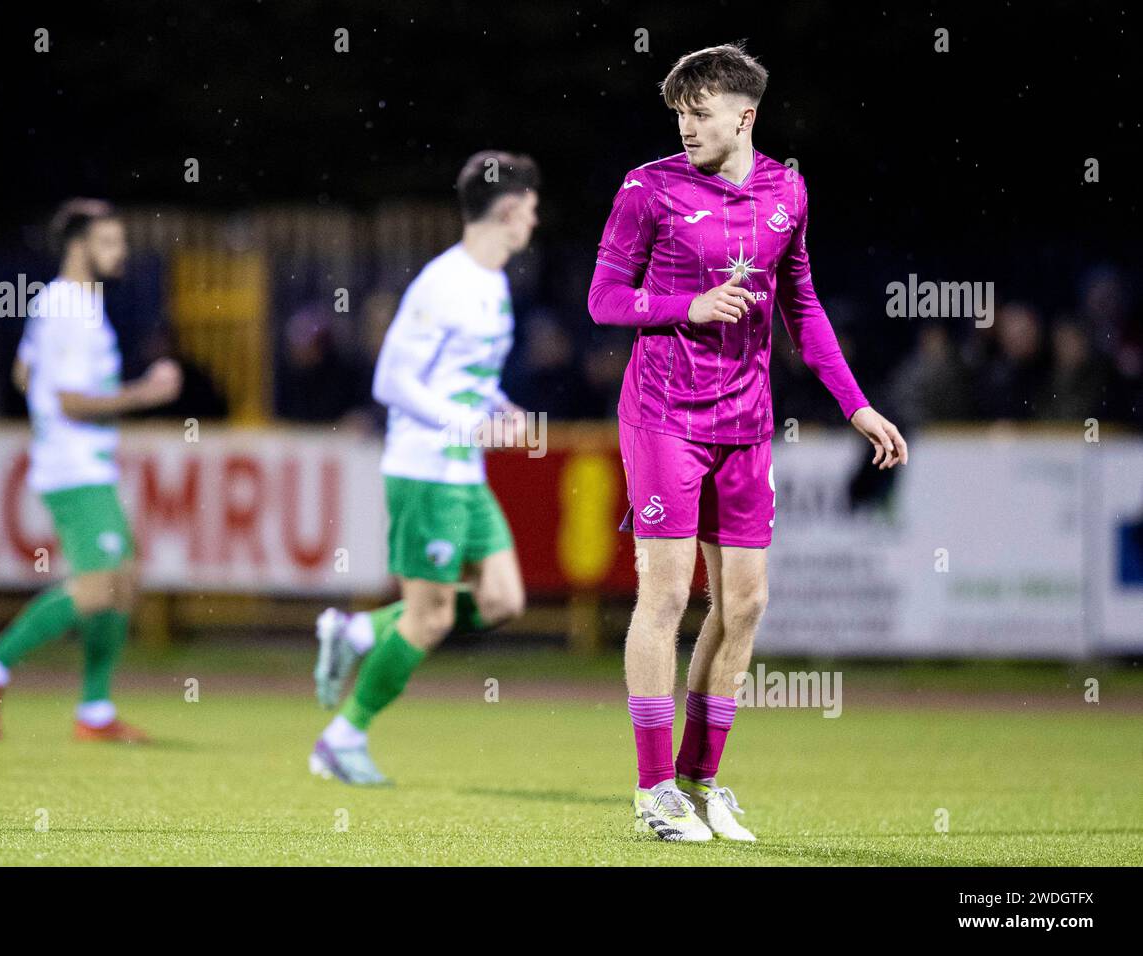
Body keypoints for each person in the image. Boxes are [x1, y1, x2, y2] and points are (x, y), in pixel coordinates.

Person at [588, 44, 907, 841]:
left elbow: (803, 307)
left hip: (746, 422)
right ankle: (652, 790)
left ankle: (700, 783)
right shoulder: (647, 188)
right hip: (663, 416)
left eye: (700, 112)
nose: (688, 126)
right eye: (680, 114)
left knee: (746, 604)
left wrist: (856, 406)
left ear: (745, 114)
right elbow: (602, 301)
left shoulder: (787, 189)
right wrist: (684, 307)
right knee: (664, 595)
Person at [308, 151, 537, 785]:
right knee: (431, 615)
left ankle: (358, 631)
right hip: (426, 469)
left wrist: (504, 409)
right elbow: (393, 381)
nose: (535, 221)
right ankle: (342, 737)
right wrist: (473, 425)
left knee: (503, 600)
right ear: (511, 211)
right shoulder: (445, 283)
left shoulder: (491, 283)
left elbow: (470, 378)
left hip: (465, 470)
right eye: (533, 209)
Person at [0, 199, 182, 742]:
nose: (119, 252)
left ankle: (95, 713)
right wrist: (149, 392)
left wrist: (50, 413)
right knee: (102, 584)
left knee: (121, 581)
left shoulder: (57, 302)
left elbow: (24, 371)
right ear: (79, 247)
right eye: (108, 242)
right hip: (74, 467)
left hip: (77, 461)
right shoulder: (74, 309)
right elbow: (74, 401)